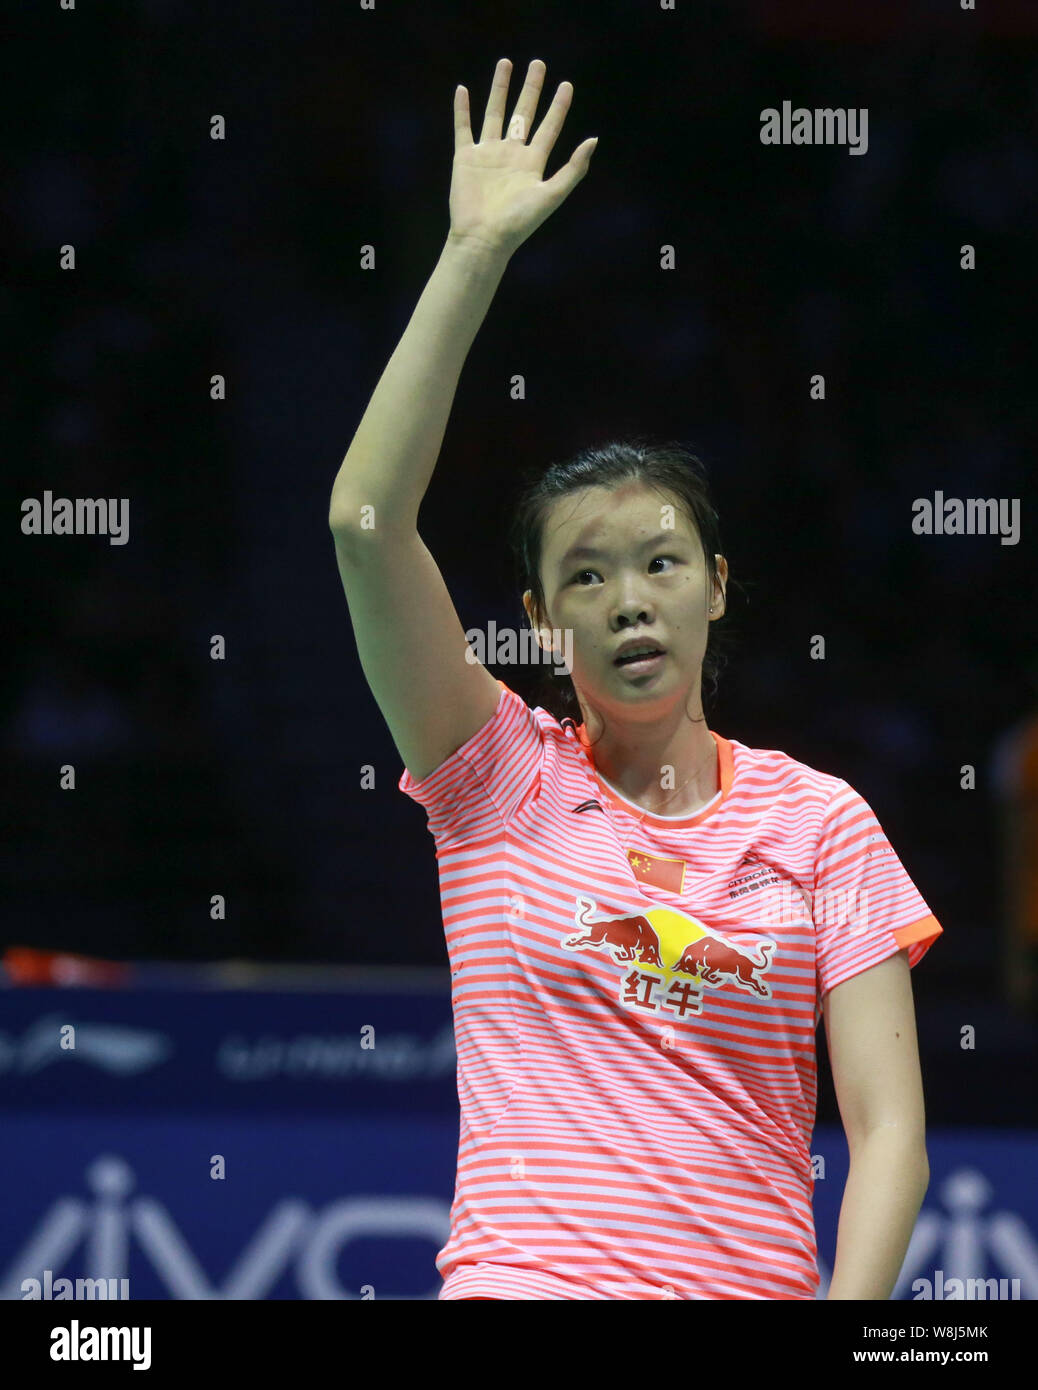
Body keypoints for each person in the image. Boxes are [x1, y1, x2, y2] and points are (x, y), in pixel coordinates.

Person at [328, 57, 942, 1300]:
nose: (630, 599)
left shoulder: (822, 825)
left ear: (716, 585)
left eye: (660, 562)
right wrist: (472, 254)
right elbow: (365, 521)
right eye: (589, 577)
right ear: (543, 618)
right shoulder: (490, 774)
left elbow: (889, 1138)